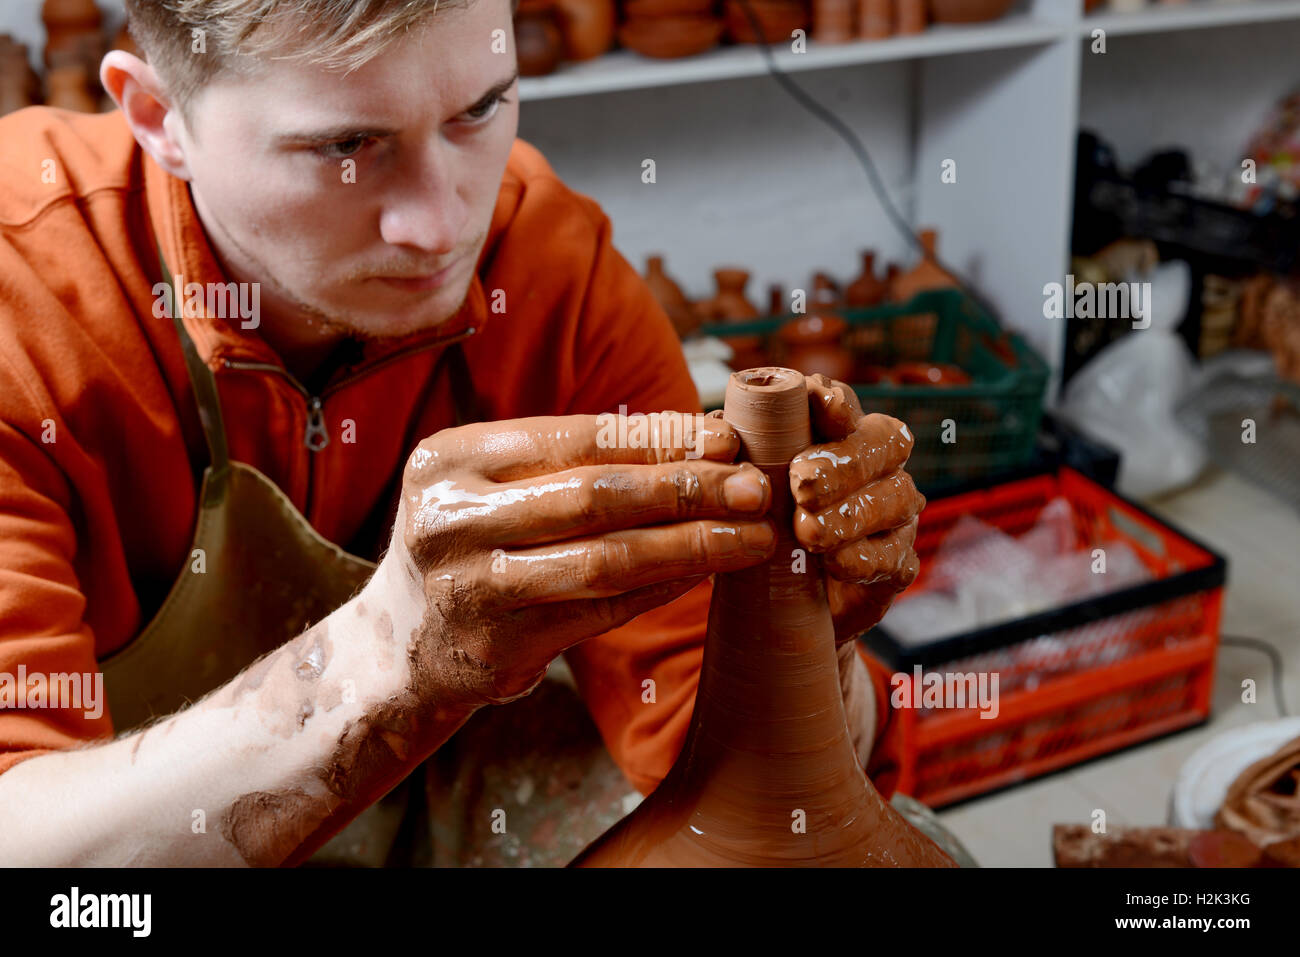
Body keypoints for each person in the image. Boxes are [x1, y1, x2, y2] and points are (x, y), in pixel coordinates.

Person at [0, 0, 924, 866]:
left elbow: (709, 738)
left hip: (423, 795)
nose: (443, 226)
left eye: (479, 110)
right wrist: (386, 654)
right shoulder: (26, 297)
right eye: (348, 147)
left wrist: (807, 632)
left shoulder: (549, 271)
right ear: (160, 117)